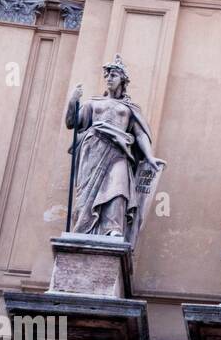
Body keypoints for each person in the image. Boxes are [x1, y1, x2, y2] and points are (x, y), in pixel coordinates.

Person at [65, 56, 165, 242]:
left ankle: (113, 229)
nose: (109, 78)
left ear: (122, 80)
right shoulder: (93, 103)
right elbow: (72, 123)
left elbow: (140, 134)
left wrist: (149, 157)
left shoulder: (129, 108)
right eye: (107, 75)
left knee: (118, 187)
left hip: (120, 152)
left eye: (113, 75)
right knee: (87, 193)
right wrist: (73, 101)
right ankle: (84, 228)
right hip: (93, 150)